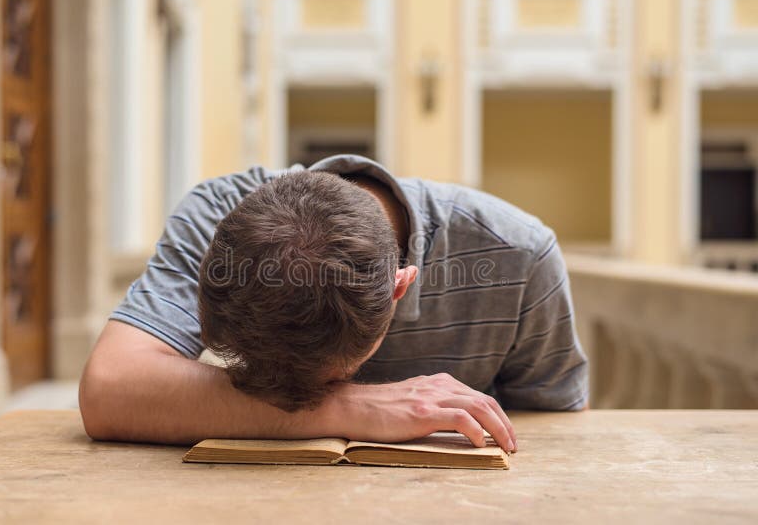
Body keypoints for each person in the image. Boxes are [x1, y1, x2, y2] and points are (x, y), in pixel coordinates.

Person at [79, 154, 588, 453]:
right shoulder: (214, 217)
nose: (298, 397)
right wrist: (354, 406)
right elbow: (109, 389)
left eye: (327, 381)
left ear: (399, 286)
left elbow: (557, 447)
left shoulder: (520, 256)